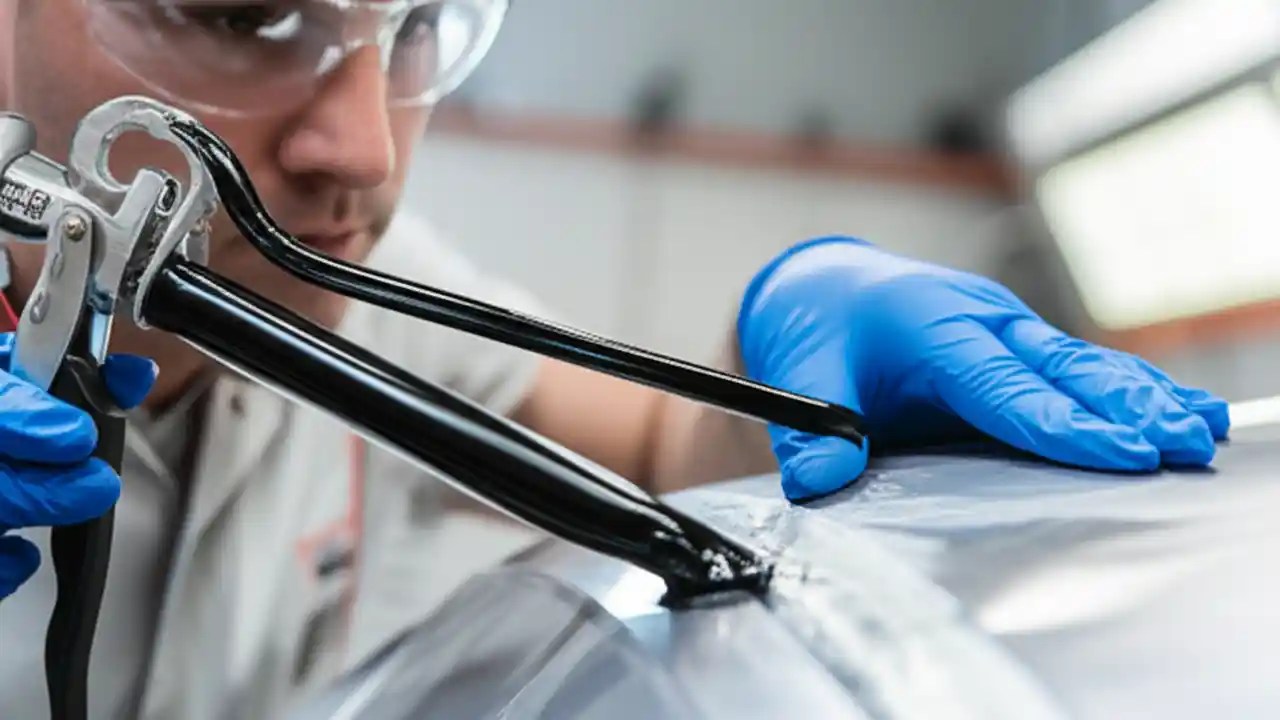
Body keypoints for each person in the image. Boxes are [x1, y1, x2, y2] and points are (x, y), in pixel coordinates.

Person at [0, 1, 1230, 718]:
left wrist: (781, 357)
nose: (365, 148)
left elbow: (656, 450)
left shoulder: (358, 292)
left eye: (417, 24)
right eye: (242, 10)